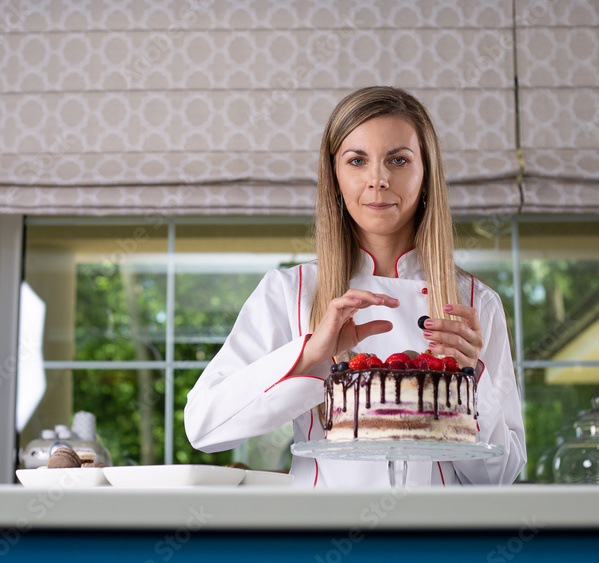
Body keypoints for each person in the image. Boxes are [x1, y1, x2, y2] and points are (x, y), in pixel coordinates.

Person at [185, 86, 526, 488]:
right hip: (322, 537)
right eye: (357, 160)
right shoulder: (289, 291)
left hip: (436, 542)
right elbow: (204, 427)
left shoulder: (475, 303)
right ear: (334, 176)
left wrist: (473, 377)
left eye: (398, 160)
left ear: (426, 174)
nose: (378, 179)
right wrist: (310, 354)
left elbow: (500, 476)